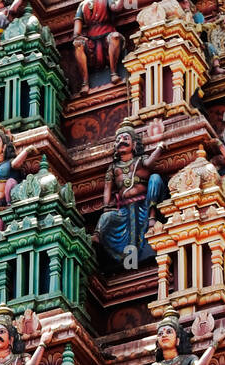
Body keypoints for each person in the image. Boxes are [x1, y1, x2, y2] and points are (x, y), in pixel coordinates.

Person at [96, 124, 166, 271]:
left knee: (155, 178)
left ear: (134, 144)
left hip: (144, 205)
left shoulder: (140, 160)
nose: (121, 141)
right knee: (106, 218)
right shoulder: (113, 168)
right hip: (124, 209)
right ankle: (98, 235)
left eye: (126, 138)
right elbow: (107, 192)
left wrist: (159, 147)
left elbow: (149, 163)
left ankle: (152, 218)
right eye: (118, 139)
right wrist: (107, 205)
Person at [73, 0, 126, 94]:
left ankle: (113, 73)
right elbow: (77, 30)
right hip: (91, 42)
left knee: (115, 37)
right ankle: (85, 83)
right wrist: (77, 38)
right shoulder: (82, 5)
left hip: (108, 36)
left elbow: (116, 8)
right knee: (78, 45)